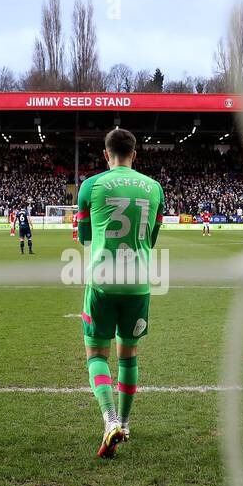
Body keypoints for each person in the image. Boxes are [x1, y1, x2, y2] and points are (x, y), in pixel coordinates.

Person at [76, 128, 163, 460]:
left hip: (102, 281)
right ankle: (124, 424)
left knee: (97, 354)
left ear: (105, 155)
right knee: (128, 355)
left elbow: (85, 237)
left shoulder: (90, 186)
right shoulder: (154, 188)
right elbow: (151, 239)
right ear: (135, 155)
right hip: (138, 282)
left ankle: (109, 419)